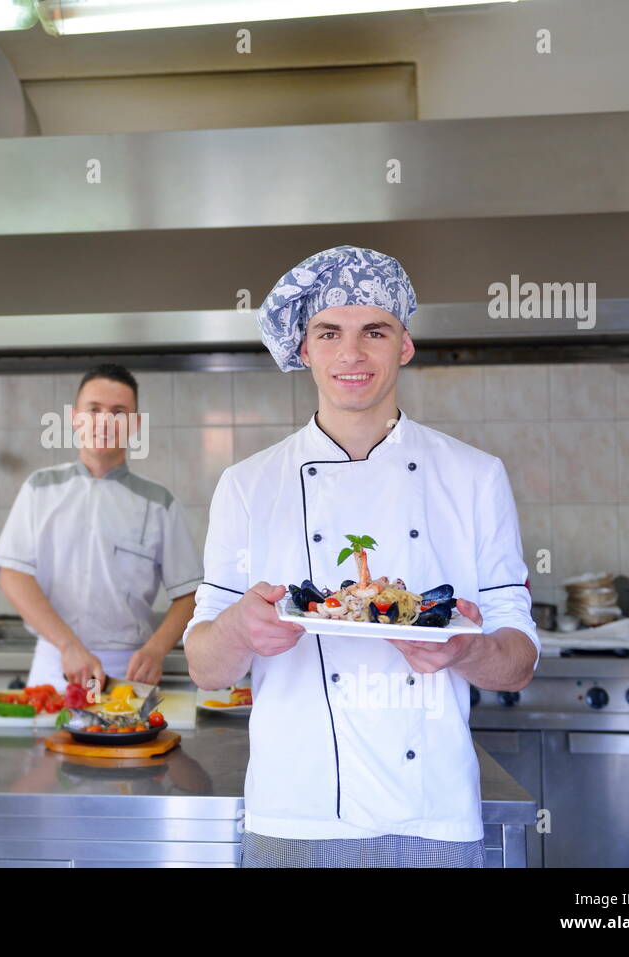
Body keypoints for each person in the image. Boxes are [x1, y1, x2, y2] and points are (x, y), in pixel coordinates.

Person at [184, 245, 539, 868]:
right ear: (303, 349)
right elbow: (207, 669)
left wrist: (468, 649)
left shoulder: (475, 477)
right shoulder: (247, 485)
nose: (352, 354)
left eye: (374, 331)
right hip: (292, 811)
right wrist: (239, 629)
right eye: (329, 333)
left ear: (404, 344)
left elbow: (518, 664)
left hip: (431, 812)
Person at [0, 364, 202, 691]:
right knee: (47, 744)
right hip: (56, 666)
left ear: (135, 425)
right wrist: (68, 646)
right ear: (75, 418)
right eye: (94, 410)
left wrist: (157, 648)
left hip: (129, 672)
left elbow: (190, 593)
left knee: (131, 744)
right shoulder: (39, 488)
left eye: (119, 412)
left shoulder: (159, 502)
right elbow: (12, 574)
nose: (104, 422)